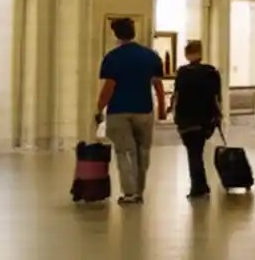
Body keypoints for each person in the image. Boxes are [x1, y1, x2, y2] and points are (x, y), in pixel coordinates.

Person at [95, 17, 166, 205]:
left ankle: (130, 192)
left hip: (119, 110)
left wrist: (99, 108)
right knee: (143, 151)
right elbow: (158, 85)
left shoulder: (112, 58)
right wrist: (163, 108)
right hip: (144, 109)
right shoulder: (150, 56)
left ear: (116, 34)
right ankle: (140, 190)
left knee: (124, 152)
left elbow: (109, 86)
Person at [169, 40, 222, 199]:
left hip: (187, 119)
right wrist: (218, 116)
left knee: (193, 153)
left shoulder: (183, 72)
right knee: (197, 152)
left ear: (186, 54)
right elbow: (216, 97)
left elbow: (176, 96)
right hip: (205, 119)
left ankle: (198, 187)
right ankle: (201, 184)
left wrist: (172, 112)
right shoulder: (211, 72)